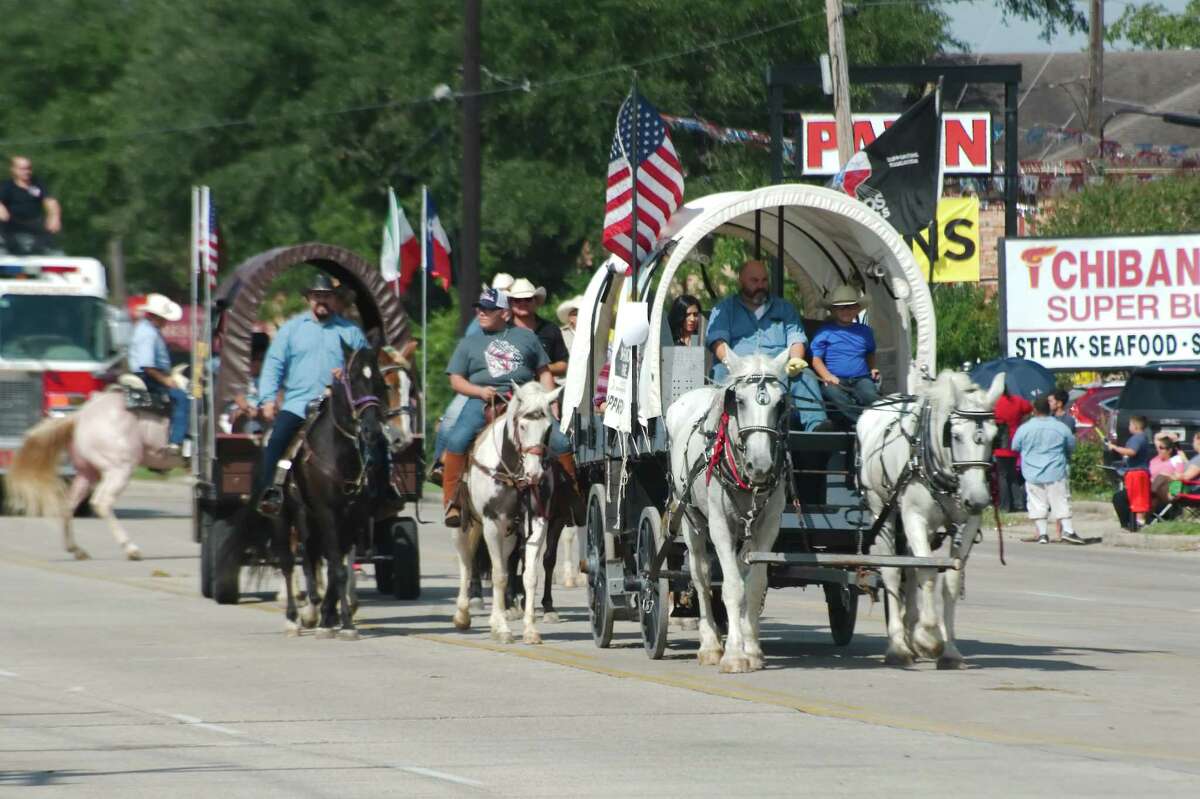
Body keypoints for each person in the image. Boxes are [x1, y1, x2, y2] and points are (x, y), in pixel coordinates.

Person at [440, 286, 555, 527]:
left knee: (561, 441)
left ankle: (569, 499)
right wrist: (479, 391)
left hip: (523, 401)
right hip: (482, 401)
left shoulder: (527, 337)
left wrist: (548, 403)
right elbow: (455, 380)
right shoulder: (470, 342)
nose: (481, 312)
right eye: (480, 308)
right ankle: (453, 503)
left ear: (504, 313)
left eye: (488, 309)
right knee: (457, 439)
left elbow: (544, 371)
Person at [254, 273, 368, 515]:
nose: (322, 301)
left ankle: (377, 490)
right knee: (275, 442)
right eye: (317, 296)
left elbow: (367, 370)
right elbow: (274, 364)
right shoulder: (291, 330)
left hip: (340, 407)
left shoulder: (351, 332)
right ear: (309, 299)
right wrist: (267, 400)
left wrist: (346, 374)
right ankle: (268, 494)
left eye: (326, 296)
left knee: (372, 440)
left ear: (334, 299)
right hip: (298, 404)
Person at [706, 259, 828, 430]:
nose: (760, 285)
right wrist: (730, 362)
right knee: (719, 371)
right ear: (741, 280)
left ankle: (818, 428)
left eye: (764, 280)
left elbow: (797, 338)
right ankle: (716, 429)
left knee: (805, 374)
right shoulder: (726, 308)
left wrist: (795, 360)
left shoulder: (784, 308)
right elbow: (717, 341)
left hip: (777, 370)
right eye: (754, 281)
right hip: (741, 369)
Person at [430, 272, 517, 482]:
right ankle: (441, 464)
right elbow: (467, 358)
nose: (484, 311)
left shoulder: (520, 329)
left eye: (507, 293)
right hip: (477, 385)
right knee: (450, 418)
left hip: (513, 388)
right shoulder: (477, 325)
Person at [1012, 396, 1082, 544]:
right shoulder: (1060, 427)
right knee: (1060, 501)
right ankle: (1068, 531)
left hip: (1032, 471)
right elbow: (1071, 446)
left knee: (1037, 503)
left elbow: (1015, 446)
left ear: (1034, 410)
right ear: (1048, 409)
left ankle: (1042, 534)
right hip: (1055, 469)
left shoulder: (1024, 429)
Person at [127, 293, 190, 457]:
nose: (166, 321)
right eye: (164, 317)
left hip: (149, 374)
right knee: (181, 398)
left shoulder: (146, 329)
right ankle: (176, 442)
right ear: (156, 316)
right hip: (149, 377)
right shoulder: (148, 334)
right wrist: (166, 380)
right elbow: (148, 366)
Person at [809, 285, 880, 425]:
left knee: (871, 396)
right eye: (841, 307)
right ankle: (862, 422)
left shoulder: (865, 331)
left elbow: (870, 352)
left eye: (850, 306)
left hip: (861, 377)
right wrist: (827, 376)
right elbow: (816, 359)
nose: (846, 310)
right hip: (836, 378)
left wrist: (872, 368)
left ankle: (881, 421)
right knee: (833, 393)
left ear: (857, 309)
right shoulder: (825, 331)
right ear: (834, 310)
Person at [0, 155, 62, 255]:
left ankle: (40, 251)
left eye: (28, 168)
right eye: (22, 169)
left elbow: (50, 201)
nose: (27, 172)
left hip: (34, 222)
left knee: (49, 229)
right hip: (11, 223)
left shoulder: (37, 184)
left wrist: (54, 216)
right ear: (14, 170)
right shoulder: (6, 186)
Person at [1105, 415, 1155, 529]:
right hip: (1135, 472)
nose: (1129, 427)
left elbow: (1132, 451)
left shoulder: (1137, 438)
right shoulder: (1142, 437)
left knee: (1138, 497)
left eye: (1130, 424)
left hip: (1137, 473)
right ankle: (1135, 522)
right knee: (1134, 497)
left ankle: (1140, 522)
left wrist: (1114, 447)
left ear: (1136, 426)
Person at [993, 386, 1033, 512]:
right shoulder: (1017, 400)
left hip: (1000, 442)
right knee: (1013, 474)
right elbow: (1029, 408)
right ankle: (1018, 503)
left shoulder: (995, 403)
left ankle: (1005, 505)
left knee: (1002, 475)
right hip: (1014, 440)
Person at [1149, 433, 1188, 510]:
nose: (1158, 449)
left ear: (1169, 450)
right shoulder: (1153, 460)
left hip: (1170, 491)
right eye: (1158, 447)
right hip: (1154, 491)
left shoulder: (1176, 460)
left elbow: (1178, 479)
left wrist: (1166, 477)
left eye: (1161, 447)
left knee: (1161, 477)